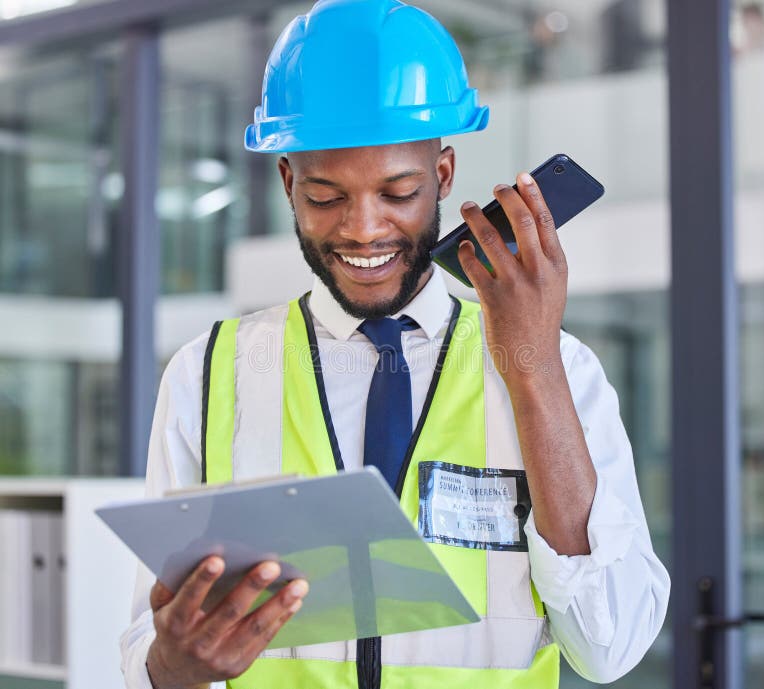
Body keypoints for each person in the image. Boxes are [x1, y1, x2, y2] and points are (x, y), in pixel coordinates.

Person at [120, 1, 670, 687]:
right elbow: (151, 643)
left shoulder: (564, 371)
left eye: (399, 191)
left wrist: (534, 370)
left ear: (442, 177)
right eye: (325, 196)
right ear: (288, 182)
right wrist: (173, 665)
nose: (362, 228)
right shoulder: (209, 373)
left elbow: (609, 645)